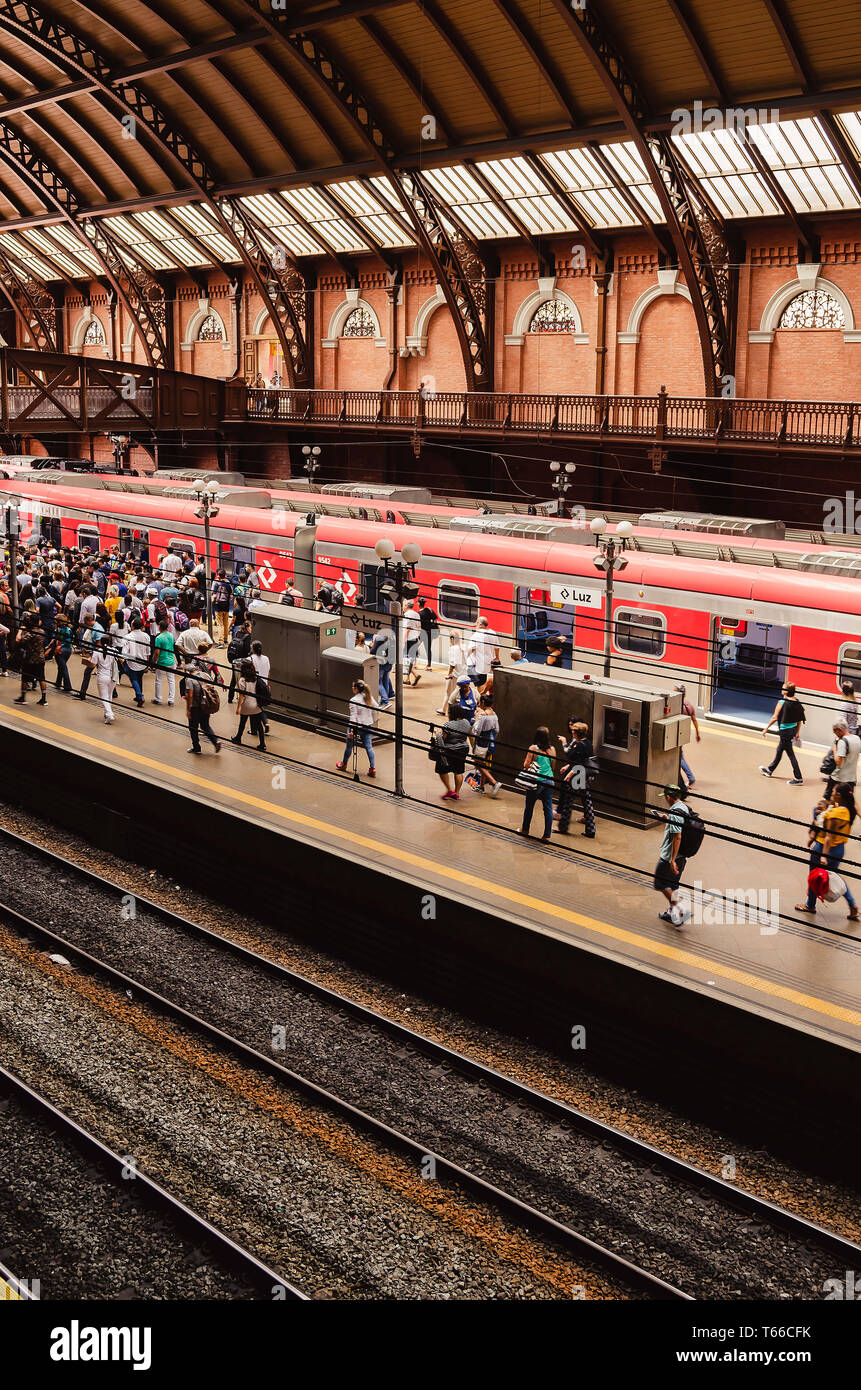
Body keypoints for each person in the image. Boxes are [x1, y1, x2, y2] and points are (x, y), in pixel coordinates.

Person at [797, 783, 859, 921]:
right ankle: (852, 904)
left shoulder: (835, 813)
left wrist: (824, 855)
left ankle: (810, 905)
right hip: (839, 849)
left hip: (823, 848)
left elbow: (829, 836)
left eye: (834, 792)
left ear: (839, 795)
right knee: (834, 877)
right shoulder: (847, 810)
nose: (831, 793)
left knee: (815, 875)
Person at [651, 783, 692, 927]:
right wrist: (667, 818)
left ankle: (682, 910)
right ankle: (670, 913)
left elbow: (678, 836)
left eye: (665, 797)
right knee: (672, 885)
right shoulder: (683, 808)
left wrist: (672, 860)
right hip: (682, 857)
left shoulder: (675, 813)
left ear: (668, 797)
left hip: (670, 857)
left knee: (660, 883)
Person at [555, 719, 596, 837]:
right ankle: (591, 830)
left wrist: (569, 774)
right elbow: (581, 760)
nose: (572, 733)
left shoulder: (578, 745)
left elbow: (571, 756)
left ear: (577, 733)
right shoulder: (588, 743)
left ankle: (562, 828)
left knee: (568, 802)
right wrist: (568, 765)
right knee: (587, 804)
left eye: (573, 732)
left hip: (577, 776)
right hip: (585, 776)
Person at [759, 682, 805, 784]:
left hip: (785, 732)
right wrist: (797, 732)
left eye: (783, 688)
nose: (781, 689)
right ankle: (770, 770)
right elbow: (799, 720)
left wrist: (766, 728)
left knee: (790, 754)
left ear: (786, 691)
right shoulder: (797, 702)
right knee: (779, 750)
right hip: (792, 731)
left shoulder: (782, 702)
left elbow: (775, 717)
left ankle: (798, 778)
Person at [516, 726, 556, 842]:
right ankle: (547, 836)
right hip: (549, 781)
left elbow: (526, 766)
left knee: (529, 807)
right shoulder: (552, 749)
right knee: (548, 808)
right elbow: (553, 766)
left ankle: (525, 830)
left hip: (536, 782)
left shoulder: (533, 748)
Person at [184, 643, 222, 755]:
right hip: (206, 704)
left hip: (195, 707)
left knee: (193, 728)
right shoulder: (206, 676)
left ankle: (196, 747)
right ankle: (216, 742)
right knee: (205, 725)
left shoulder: (190, 680)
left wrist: (188, 709)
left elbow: (190, 696)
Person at [335, 678, 378, 777]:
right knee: (369, 747)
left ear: (355, 689)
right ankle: (372, 768)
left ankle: (344, 764)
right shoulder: (368, 696)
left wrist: (352, 731)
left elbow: (353, 717)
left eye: (352, 686)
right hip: (367, 725)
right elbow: (376, 706)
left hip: (356, 727)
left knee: (349, 746)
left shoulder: (353, 700)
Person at [433, 700, 472, 801]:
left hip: (449, 750)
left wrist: (437, 733)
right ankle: (457, 792)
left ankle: (449, 790)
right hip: (463, 749)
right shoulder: (467, 722)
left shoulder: (448, 725)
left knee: (442, 770)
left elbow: (444, 738)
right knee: (458, 771)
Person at [466, 691, 500, 795]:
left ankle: (494, 782)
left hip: (482, 744)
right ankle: (481, 787)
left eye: (480, 702)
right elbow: (497, 730)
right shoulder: (494, 714)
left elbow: (476, 731)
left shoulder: (483, 716)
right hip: (491, 744)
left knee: (478, 764)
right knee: (483, 763)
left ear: (483, 703)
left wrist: (476, 719)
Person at [232, 657, 267, 751]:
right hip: (256, 705)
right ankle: (262, 744)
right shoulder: (256, 678)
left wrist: (238, 707)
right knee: (259, 725)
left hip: (246, 705)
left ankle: (238, 738)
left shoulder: (242, 680)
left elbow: (242, 696)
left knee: (242, 723)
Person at [13, 613, 47, 705]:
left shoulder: (31, 633)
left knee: (25, 678)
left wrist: (20, 630)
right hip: (40, 658)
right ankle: (43, 699)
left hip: (30, 659)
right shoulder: (42, 631)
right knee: (41, 678)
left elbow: (18, 640)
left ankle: (22, 697)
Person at [674, 684, 701, 789]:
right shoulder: (688, 705)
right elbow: (694, 720)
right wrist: (697, 734)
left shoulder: (677, 705)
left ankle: (690, 778)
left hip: (676, 734)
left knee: (679, 758)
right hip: (683, 734)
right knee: (680, 755)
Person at [436, 630, 467, 715]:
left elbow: (452, 664)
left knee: (449, 692)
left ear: (452, 639)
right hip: (463, 674)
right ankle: (445, 709)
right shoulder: (464, 647)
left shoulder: (453, 649)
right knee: (460, 693)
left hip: (454, 675)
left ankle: (446, 711)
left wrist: (448, 674)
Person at [121, 616, 150, 706]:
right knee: (139, 678)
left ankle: (139, 695)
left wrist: (123, 660)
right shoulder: (146, 636)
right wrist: (147, 663)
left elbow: (124, 652)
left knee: (133, 679)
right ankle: (139, 696)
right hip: (143, 661)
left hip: (131, 662)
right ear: (141, 627)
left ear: (132, 626)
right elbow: (148, 650)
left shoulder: (128, 637)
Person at [91, 635, 119, 724]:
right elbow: (121, 659)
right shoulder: (114, 650)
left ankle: (109, 714)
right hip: (112, 677)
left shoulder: (97, 652)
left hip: (102, 677)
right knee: (109, 695)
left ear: (101, 642)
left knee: (104, 697)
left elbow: (93, 664)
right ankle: (107, 714)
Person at [467, 616, 499, 692]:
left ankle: (481, 698)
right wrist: (497, 657)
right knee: (482, 681)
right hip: (488, 662)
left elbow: (471, 649)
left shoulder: (476, 635)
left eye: (476, 623)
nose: (475, 624)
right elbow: (497, 648)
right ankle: (483, 695)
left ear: (480, 624)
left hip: (478, 664)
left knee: (479, 684)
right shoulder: (493, 633)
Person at [830, 718, 861, 795]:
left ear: (840, 730)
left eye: (834, 730)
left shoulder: (842, 742)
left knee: (831, 801)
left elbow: (838, 762)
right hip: (852, 779)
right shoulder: (857, 738)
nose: (833, 732)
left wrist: (834, 749)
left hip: (840, 779)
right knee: (848, 802)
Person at [152, 617, 177, 705]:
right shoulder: (171, 635)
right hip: (171, 661)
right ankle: (171, 699)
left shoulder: (158, 638)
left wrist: (154, 662)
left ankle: (158, 698)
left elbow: (157, 652)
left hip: (162, 662)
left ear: (159, 627)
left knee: (159, 680)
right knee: (171, 680)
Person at [47, 613, 73, 693]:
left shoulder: (57, 629)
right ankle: (58, 682)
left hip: (60, 649)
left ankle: (68, 686)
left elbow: (53, 639)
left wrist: (49, 646)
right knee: (61, 666)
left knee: (63, 667)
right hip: (68, 649)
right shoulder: (69, 629)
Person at [370, 626, 395, 708]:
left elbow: (373, 651)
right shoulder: (392, 636)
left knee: (378, 682)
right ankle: (385, 700)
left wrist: (371, 645)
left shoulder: (379, 637)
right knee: (385, 681)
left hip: (381, 662)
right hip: (389, 662)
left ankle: (385, 700)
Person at [402, 600, 422, 685]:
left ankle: (409, 677)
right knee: (409, 660)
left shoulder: (407, 615)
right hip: (414, 639)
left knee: (406, 660)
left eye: (403, 605)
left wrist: (403, 641)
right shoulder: (416, 614)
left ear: (406, 605)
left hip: (408, 640)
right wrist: (418, 637)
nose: (402, 606)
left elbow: (407, 629)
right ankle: (410, 677)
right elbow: (419, 628)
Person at [212, 569, 233, 647]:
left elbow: (214, 595)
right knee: (225, 622)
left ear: (218, 575)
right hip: (226, 605)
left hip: (218, 606)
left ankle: (220, 642)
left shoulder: (216, 584)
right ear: (225, 575)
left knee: (220, 624)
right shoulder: (228, 584)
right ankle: (225, 639)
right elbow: (231, 595)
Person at [417, 596, 438, 669]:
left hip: (422, 633)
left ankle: (413, 664)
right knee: (428, 649)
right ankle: (429, 665)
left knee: (415, 647)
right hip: (429, 632)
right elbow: (435, 618)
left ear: (419, 603)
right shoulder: (429, 610)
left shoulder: (418, 614)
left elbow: (418, 625)